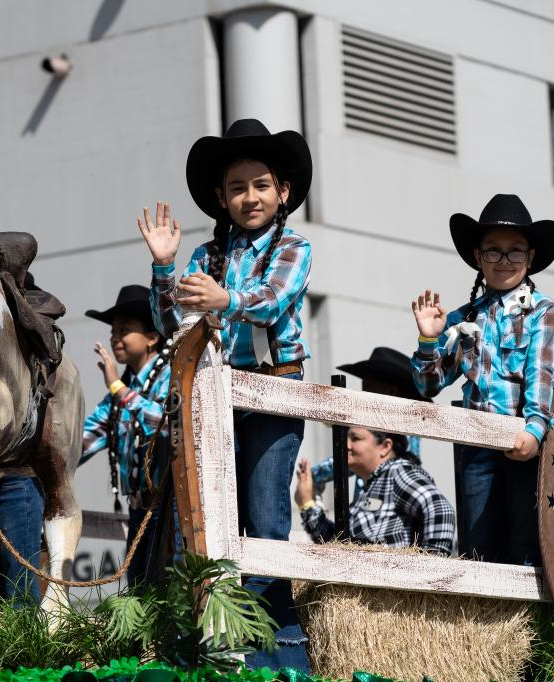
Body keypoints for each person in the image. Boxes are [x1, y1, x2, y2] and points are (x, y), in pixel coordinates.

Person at [138, 118, 313, 668]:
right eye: (237, 188)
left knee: (265, 520)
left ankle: (280, 650)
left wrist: (220, 298)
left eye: (261, 185)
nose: (250, 197)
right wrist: (165, 264)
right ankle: (218, 640)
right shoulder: (206, 258)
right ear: (220, 198)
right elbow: (172, 323)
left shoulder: (295, 247)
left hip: (270, 394)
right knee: (213, 520)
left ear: (282, 192)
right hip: (213, 400)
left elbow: (269, 300)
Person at [410, 194, 554, 566]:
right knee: (480, 548)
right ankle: (488, 621)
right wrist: (429, 339)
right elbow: (428, 386)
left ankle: (529, 624)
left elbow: (542, 373)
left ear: (530, 259)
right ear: (478, 257)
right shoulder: (463, 318)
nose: (504, 260)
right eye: (493, 251)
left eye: (515, 251)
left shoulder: (542, 311)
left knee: (527, 546)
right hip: (477, 444)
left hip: (523, 441)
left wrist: (534, 428)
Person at [79, 285, 174, 586]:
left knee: (162, 588)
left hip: (166, 507)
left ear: (152, 338)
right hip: (138, 507)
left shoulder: (169, 375)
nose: (115, 338)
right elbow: (85, 438)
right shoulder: (121, 390)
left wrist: (118, 389)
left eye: (125, 330)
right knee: (139, 590)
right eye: (113, 331)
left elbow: (164, 424)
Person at [294, 428, 454, 555]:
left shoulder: (398, 472)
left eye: (355, 438)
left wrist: (431, 574)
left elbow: (441, 510)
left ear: (385, 447)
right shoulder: (368, 487)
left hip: (393, 593)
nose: (346, 445)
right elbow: (338, 544)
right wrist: (307, 503)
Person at [311, 347, 429, 502]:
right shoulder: (376, 430)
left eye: (367, 389)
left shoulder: (402, 433)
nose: (362, 397)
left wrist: (313, 476)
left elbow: (356, 458)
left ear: (391, 391)